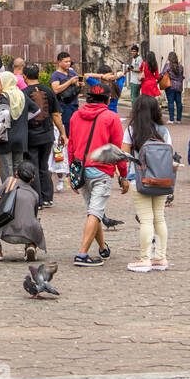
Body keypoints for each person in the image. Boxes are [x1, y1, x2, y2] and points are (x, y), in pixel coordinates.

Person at [67, 78, 129, 267]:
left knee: (94, 212)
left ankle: (102, 247)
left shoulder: (75, 116)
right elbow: (117, 150)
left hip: (81, 170)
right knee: (95, 212)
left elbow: (71, 146)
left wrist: (72, 173)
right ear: (108, 99)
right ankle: (82, 254)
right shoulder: (111, 118)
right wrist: (123, 175)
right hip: (101, 170)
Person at [121, 95, 172, 273]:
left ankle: (145, 259)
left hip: (139, 178)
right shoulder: (163, 131)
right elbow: (170, 157)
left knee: (146, 220)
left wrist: (124, 177)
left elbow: (124, 156)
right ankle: (160, 257)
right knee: (160, 218)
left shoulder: (131, 130)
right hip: (162, 179)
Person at [0, 159, 44, 263]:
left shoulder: (9, 182)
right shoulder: (35, 194)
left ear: (16, 173)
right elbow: (33, 215)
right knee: (34, 220)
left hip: (7, 233)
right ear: (33, 178)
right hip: (29, 235)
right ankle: (31, 246)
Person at [23, 62, 65, 209]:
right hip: (47, 134)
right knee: (44, 165)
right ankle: (47, 197)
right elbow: (56, 114)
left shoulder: (24, 93)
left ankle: (37, 200)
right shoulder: (48, 90)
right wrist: (63, 133)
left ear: (24, 77)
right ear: (39, 75)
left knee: (33, 166)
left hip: (31, 135)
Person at [0, 70, 29, 183]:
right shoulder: (21, 94)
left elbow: (4, 113)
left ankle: (9, 196)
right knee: (18, 170)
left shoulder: (4, 96)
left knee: (7, 171)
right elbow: (36, 111)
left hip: (5, 138)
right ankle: (19, 195)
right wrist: (22, 119)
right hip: (20, 137)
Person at [50, 51, 81, 136]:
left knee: (75, 129)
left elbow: (76, 86)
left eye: (69, 61)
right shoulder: (55, 75)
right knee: (67, 129)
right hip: (63, 105)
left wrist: (80, 85)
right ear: (59, 62)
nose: (68, 63)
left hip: (74, 104)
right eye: (66, 62)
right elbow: (56, 90)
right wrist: (70, 81)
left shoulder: (72, 73)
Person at [162, 50, 184, 122]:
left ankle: (171, 119)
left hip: (170, 85)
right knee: (179, 103)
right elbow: (181, 77)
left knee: (170, 102)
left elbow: (163, 74)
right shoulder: (180, 66)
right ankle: (179, 119)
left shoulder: (168, 65)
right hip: (178, 86)